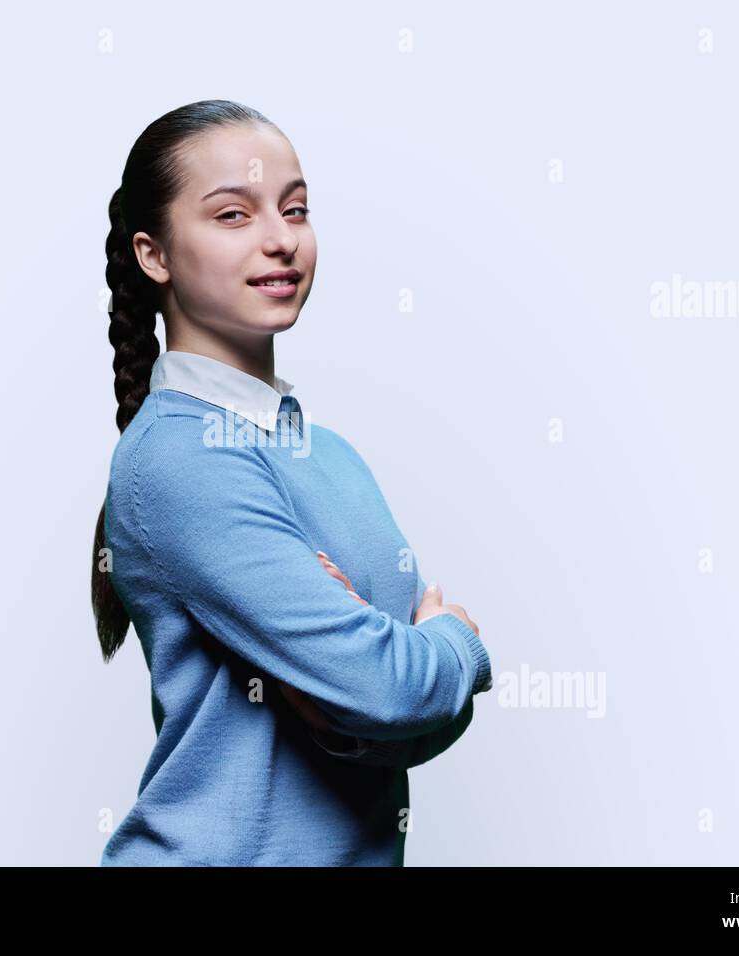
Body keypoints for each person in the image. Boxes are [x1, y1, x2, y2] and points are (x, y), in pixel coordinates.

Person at [91, 100, 493, 866]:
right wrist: (457, 645)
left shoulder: (329, 454)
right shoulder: (178, 460)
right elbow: (393, 686)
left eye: (296, 209)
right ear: (155, 255)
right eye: (233, 214)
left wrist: (360, 702)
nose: (281, 239)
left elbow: (407, 712)